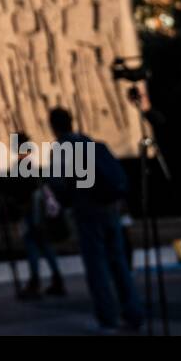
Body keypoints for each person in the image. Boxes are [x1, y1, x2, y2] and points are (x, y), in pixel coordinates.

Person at [48, 107, 144, 332]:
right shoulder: (91, 143)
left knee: (97, 267)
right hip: (110, 209)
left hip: (87, 210)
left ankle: (108, 318)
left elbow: (58, 183)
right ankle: (133, 313)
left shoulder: (63, 147)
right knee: (119, 263)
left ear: (53, 126)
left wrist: (67, 201)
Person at [13, 134, 66, 300]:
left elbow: (22, 193)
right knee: (45, 246)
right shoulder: (34, 165)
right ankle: (56, 279)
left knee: (33, 246)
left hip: (32, 213)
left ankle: (35, 281)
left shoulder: (23, 166)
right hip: (39, 214)